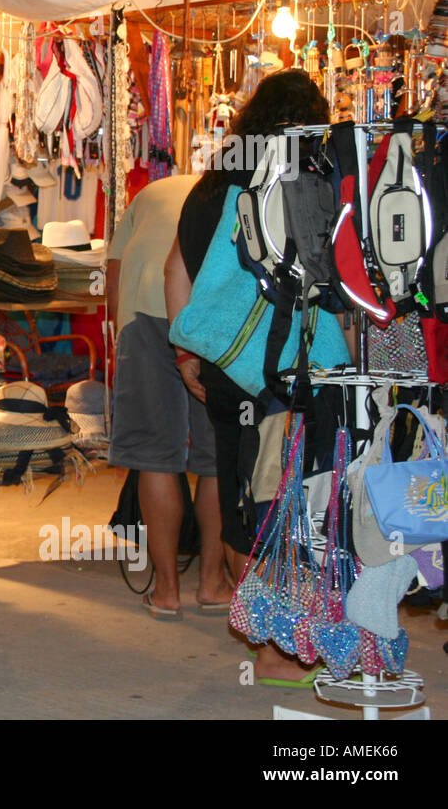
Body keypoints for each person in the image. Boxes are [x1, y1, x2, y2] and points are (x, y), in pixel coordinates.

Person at [164, 69, 333, 682]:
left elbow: (173, 271)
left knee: (241, 494)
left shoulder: (210, 187)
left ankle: (272, 639)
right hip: (286, 365)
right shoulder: (307, 181)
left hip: (221, 365)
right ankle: (273, 647)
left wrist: (187, 353)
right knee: (283, 497)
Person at [107, 173, 231, 619]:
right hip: (209, 313)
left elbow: (115, 277)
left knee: (154, 454)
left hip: (145, 308)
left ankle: (167, 592)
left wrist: (122, 335)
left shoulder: (146, 194)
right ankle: (213, 584)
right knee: (218, 456)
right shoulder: (226, 188)